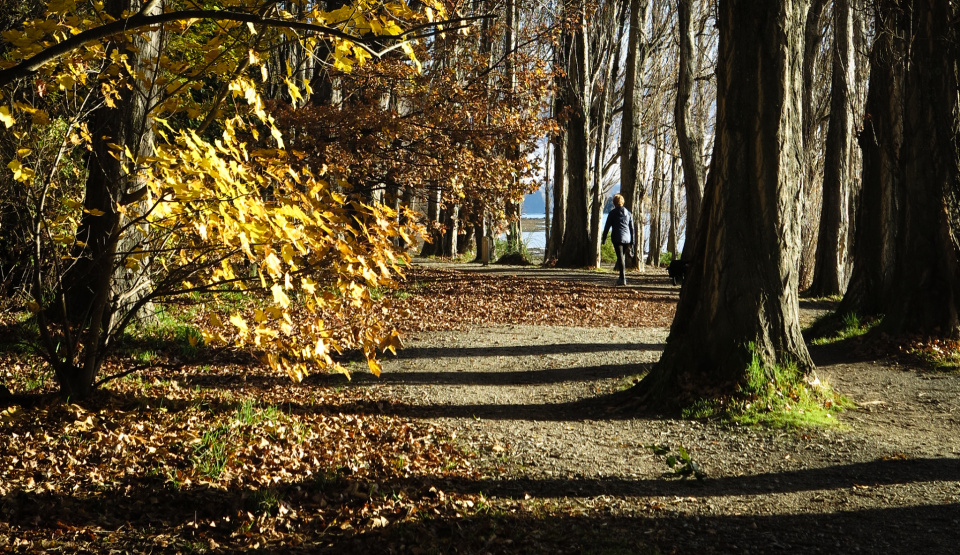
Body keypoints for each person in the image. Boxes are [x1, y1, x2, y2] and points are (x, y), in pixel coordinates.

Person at [601, 193, 635, 286]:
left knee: (620, 258)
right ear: (622, 202)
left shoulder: (612, 213)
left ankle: (622, 278)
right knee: (621, 257)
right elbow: (632, 228)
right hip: (627, 238)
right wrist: (632, 242)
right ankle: (622, 277)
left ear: (614, 203)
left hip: (617, 238)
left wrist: (604, 239)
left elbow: (607, 226)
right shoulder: (628, 213)